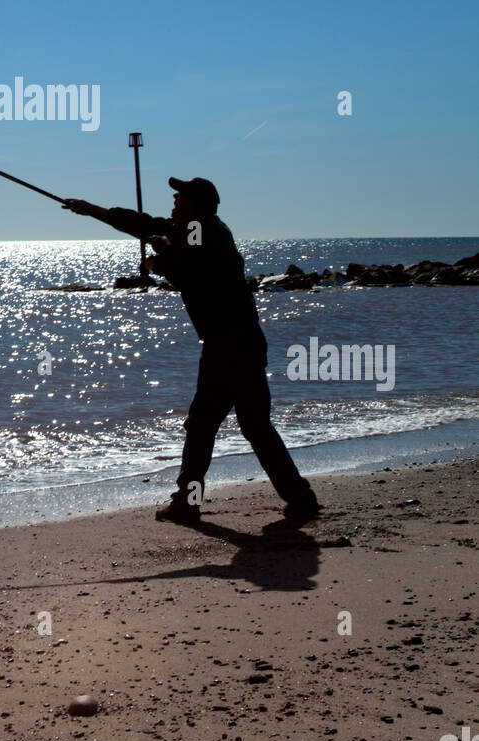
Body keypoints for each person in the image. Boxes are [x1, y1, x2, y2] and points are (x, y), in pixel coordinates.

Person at [63, 176, 320, 526]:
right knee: (255, 427)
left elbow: (188, 271)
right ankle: (299, 497)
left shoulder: (200, 231)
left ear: (195, 204)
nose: (174, 198)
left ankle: (188, 502)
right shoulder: (201, 229)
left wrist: (160, 258)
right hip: (243, 342)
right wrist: (93, 211)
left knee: (202, 428)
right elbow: (146, 225)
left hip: (227, 346)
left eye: (180, 195)